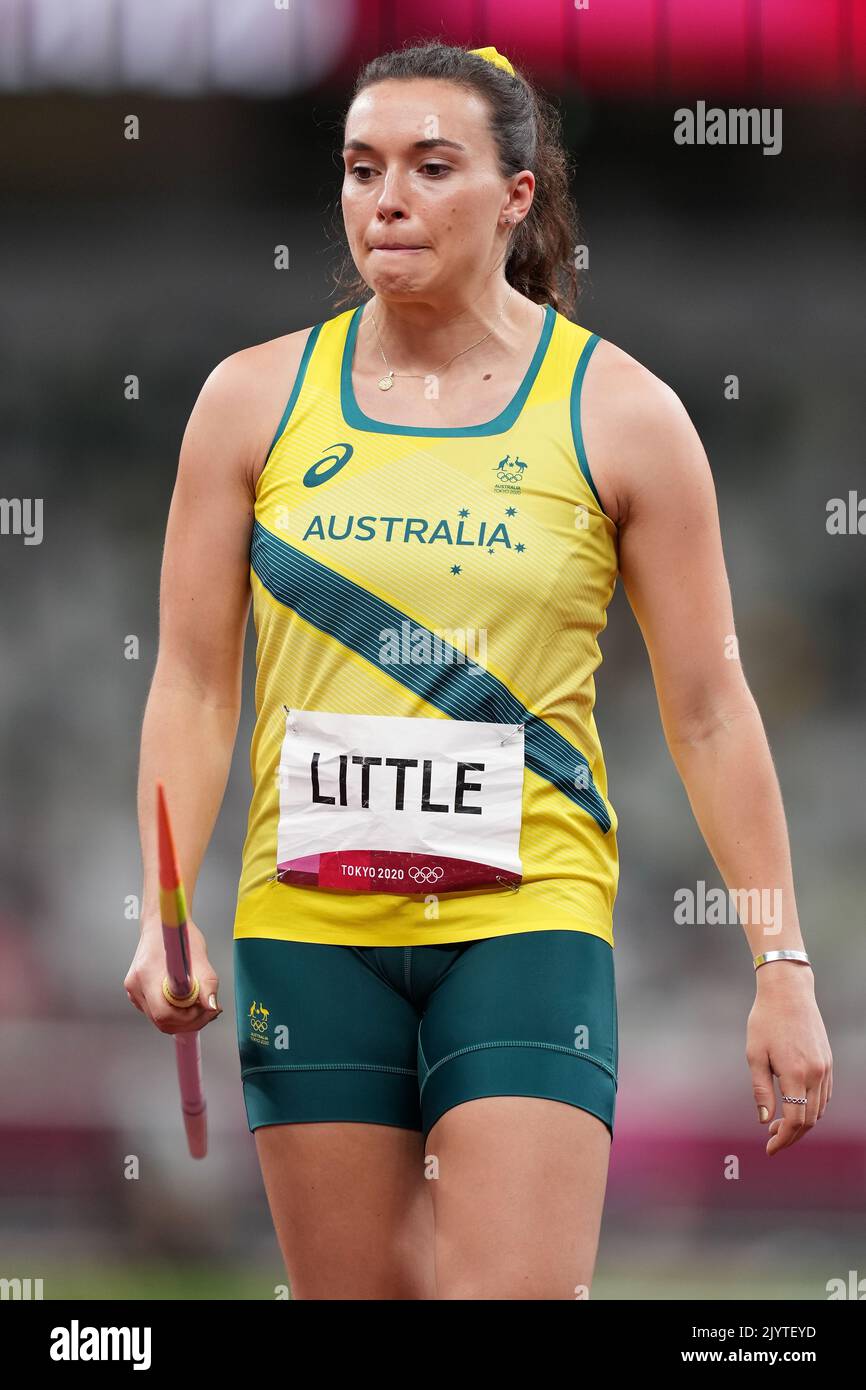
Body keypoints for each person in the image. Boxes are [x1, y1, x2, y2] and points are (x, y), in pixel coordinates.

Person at [125, 40, 832, 1300]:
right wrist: (164, 905)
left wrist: (779, 966)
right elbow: (191, 682)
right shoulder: (250, 402)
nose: (382, 198)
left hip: (521, 920)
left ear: (515, 195)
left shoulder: (621, 415)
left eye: (429, 166)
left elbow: (712, 712)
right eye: (359, 167)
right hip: (308, 927)